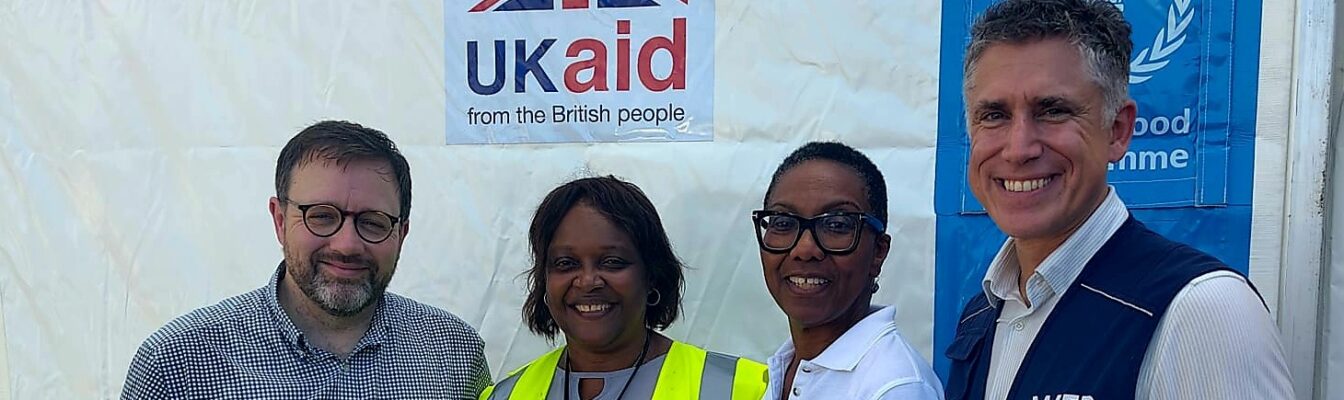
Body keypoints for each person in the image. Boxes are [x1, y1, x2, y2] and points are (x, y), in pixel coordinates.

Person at [943, 1, 1294, 399]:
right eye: (994, 115)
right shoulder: (982, 313)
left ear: (1117, 130)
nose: (1018, 148)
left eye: (1053, 111)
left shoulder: (1200, 310)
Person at [121, 121, 491, 399]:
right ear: (280, 220)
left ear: (402, 233)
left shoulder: (455, 353)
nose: (347, 244)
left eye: (373, 222)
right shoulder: (177, 365)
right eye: (322, 216)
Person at [482, 176, 767, 400]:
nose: (588, 281)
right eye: (566, 263)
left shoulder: (749, 389)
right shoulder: (505, 395)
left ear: (652, 275)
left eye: (612, 262)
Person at [754, 142, 943, 400]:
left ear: (878, 252)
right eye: (783, 222)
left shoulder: (895, 387)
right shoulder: (789, 364)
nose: (804, 249)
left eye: (837, 225)